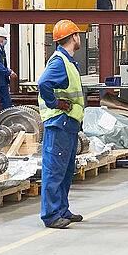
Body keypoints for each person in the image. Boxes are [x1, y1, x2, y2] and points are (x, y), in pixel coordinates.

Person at [37, 19, 86, 229]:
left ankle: (62, 209)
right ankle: (50, 215)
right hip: (59, 123)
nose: (79, 38)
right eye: (78, 35)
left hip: (69, 124)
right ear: (74, 37)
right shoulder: (59, 61)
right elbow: (43, 83)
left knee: (65, 171)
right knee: (54, 170)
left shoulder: (67, 60)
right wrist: (55, 103)